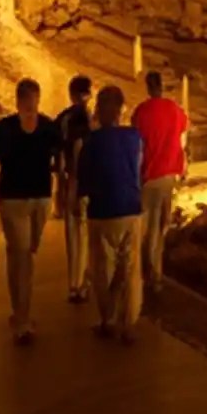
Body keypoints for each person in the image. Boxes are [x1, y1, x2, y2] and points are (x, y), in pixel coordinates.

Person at [0, 78, 62, 345]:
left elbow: (59, 160)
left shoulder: (47, 127)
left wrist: (63, 186)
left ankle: (22, 311)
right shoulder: (5, 129)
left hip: (38, 199)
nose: (28, 105)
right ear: (19, 101)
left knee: (28, 253)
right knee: (21, 255)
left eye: (31, 100)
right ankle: (22, 319)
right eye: (25, 100)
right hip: (16, 199)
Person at [77, 85, 145, 344]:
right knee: (129, 268)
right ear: (121, 110)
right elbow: (139, 167)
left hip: (102, 212)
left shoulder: (90, 144)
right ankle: (128, 323)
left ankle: (107, 318)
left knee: (102, 269)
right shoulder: (134, 137)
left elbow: (83, 183)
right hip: (130, 206)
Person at [130, 71, 189, 294]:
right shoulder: (175, 110)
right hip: (169, 173)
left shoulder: (141, 112)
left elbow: (137, 145)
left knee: (147, 227)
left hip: (148, 175)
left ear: (148, 87)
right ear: (163, 86)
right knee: (161, 227)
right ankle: (156, 274)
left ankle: (146, 273)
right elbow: (182, 139)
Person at [57, 75, 93, 304]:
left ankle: (73, 283)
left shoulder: (63, 119)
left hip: (70, 180)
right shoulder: (89, 119)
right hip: (87, 181)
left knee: (72, 235)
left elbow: (58, 155)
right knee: (85, 233)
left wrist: (60, 186)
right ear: (88, 94)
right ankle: (82, 283)